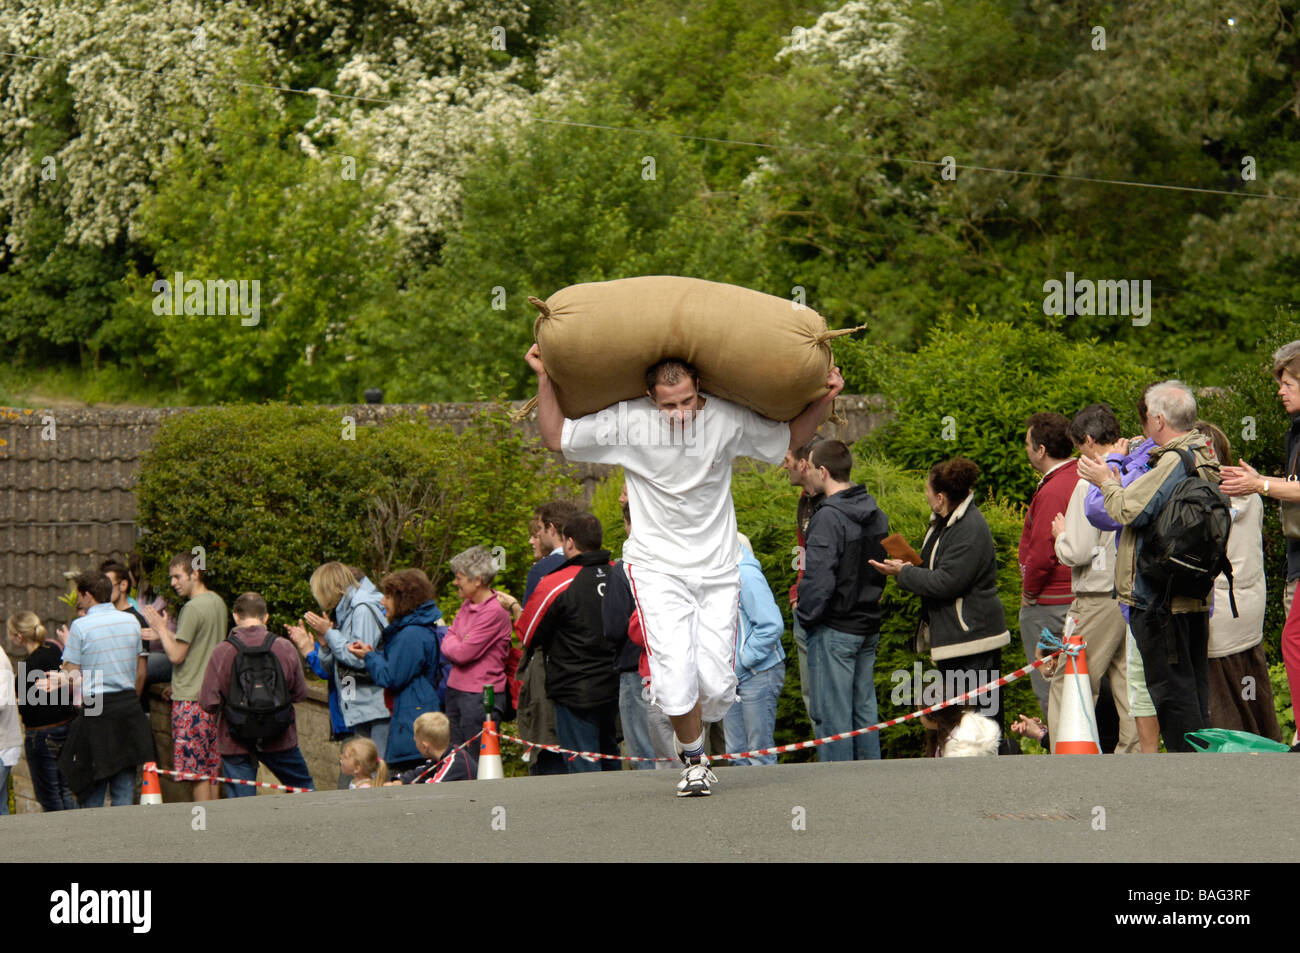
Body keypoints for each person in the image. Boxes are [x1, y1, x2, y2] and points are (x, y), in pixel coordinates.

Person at [528, 343, 841, 797]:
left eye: (687, 402)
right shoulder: (628, 421)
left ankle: (688, 734)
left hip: (717, 567)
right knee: (673, 669)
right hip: (656, 567)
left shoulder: (726, 420)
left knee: (715, 686)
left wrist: (826, 397)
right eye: (669, 405)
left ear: (701, 394)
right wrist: (542, 374)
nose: (679, 413)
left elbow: (788, 439)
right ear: (651, 400)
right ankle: (694, 760)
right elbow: (557, 437)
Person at [1076, 381, 1221, 753]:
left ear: (1158, 419)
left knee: (1173, 698)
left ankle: (1188, 783)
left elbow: (1127, 509)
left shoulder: (1174, 459)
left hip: (1160, 599)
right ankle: (1201, 776)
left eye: (1146, 418)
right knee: (1190, 691)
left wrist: (1106, 479)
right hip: (1191, 592)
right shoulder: (1204, 452)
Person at [871, 458, 1014, 754]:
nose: (924, 494)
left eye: (928, 489)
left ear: (940, 498)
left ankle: (991, 779)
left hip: (973, 641)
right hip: (958, 639)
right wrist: (908, 566)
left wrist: (904, 573)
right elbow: (938, 569)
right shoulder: (946, 522)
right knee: (959, 717)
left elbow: (948, 582)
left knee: (978, 719)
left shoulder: (969, 527)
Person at [1047, 404, 1138, 753]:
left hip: (1096, 594)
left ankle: (1064, 754)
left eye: (1077, 447)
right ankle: (1135, 752)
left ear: (1087, 440)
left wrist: (1060, 536)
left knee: (1070, 679)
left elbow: (1079, 550)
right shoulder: (1131, 469)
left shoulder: (1089, 484)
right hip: (1125, 589)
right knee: (1125, 679)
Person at [1221, 340, 1300, 733]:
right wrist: (1259, 482)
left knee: (1293, 640)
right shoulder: (1295, 431)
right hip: (1295, 559)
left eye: (1287, 382)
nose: (1279, 391)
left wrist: (1260, 485)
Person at [797, 439, 890, 761]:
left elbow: (819, 579)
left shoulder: (828, 518)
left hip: (835, 628)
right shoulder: (876, 512)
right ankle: (868, 785)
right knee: (864, 711)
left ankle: (837, 790)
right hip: (866, 625)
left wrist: (805, 616)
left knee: (832, 717)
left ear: (823, 471)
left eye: (810, 466)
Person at [515, 513, 621, 772]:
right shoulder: (619, 573)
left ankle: (594, 812)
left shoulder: (556, 582)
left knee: (583, 767)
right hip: (616, 683)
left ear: (569, 543)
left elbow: (526, 633)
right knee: (611, 758)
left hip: (574, 688)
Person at [1197, 421, 1281, 740]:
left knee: (1221, 696)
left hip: (1220, 607)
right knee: (1252, 685)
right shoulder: (1252, 496)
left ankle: (1233, 762)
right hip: (1250, 606)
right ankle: (1266, 745)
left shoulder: (1205, 503)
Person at [198, 592, 316, 797]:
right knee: (303, 789)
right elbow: (300, 694)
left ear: (235, 616)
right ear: (266, 617)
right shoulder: (284, 647)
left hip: (235, 739)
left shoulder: (222, 651)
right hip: (280, 736)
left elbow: (208, 702)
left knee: (242, 803)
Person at [284, 562, 389, 788]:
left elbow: (358, 657)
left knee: (375, 775)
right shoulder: (347, 610)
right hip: (359, 706)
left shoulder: (361, 608)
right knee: (362, 777)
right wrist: (324, 643)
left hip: (375, 704)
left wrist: (329, 633)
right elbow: (336, 662)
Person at [56, 572, 154, 807]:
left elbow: (72, 674)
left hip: (95, 705)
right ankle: (124, 840)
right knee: (124, 790)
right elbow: (139, 669)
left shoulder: (80, 626)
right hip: (129, 704)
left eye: (79, 595)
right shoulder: (132, 621)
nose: (78, 600)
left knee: (92, 785)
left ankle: (95, 840)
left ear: (87, 595)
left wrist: (60, 673)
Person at [141, 552, 227, 802]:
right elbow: (200, 648)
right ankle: (214, 826)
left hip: (191, 702)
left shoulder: (191, 608)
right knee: (211, 770)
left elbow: (177, 655)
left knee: (196, 773)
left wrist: (160, 629)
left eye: (178, 576)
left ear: (195, 573)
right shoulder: (217, 603)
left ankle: (202, 829)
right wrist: (164, 636)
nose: (173, 583)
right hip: (212, 697)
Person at [604, 486, 677, 769]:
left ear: (628, 524)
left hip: (634, 665)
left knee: (642, 746)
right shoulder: (672, 562)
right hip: (670, 662)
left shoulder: (623, 569)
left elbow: (612, 627)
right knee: (672, 740)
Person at [348, 569, 443, 776]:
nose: (382, 601)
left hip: (410, 720)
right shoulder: (414, 630)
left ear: (403, 599)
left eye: (388, 596)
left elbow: (391, 677)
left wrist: (369, 658)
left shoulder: (411, 635)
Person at [1018, 413, 1078, 724]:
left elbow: (1043, 553)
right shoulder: (1079, 475)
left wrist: (1028, 592)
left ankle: (1058, 748)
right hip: (1072, 598)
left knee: (1051, 687)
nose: (1026, 449)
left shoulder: (1053, 489)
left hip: (1050, 603)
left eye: (1028, 444)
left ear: (1041, 450)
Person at [518, 501, 577, 776]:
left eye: (539, 529)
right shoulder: (596, 564)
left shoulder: (543, 570)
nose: (536, 537)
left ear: (551, 529)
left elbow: (530, 627)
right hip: (592, 670)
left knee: (549, 745)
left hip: (550, 667)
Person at [439, 547, 513, 751]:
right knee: (456, 758)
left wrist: (457, 642)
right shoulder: (467, 605)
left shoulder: (494, 612)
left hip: (479, 696)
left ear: (477, 580)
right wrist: (458, 642)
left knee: (476, 760)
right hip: (455, 690)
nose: (455, 582)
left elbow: (463, 653)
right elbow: (447, 640)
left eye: (459, 577)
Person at [723, 534, 787, 766]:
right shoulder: (722, 576)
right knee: (735, 752)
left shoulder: (746, 575)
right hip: (733, 675)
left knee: (759, 752)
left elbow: (772, 625)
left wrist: (742, 660)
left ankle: (767, 803)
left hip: (758, 672)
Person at [6, 612, 77, 810]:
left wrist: (18, 699)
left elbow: (29, 708)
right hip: (65, 725)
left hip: (42, 733)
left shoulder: (29, 666)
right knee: (64, 789)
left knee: (49, 795)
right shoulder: (54, 649)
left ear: (19, 637)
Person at [782, 435, 826, 724]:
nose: (783, 466)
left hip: (826, 611)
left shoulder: (832, 503)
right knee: (811, 696)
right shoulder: (803, 501)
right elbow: (804, 550)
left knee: (830, 698)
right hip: (806, 606)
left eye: (787, 461)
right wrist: (798, 592)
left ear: (803, 464)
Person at [388, 712, 474, 784]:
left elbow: (431, 789)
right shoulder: (443, 755)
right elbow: (422, 773)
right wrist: (400, 781)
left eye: (415, 741)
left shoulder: (455, 762)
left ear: (424, 746)